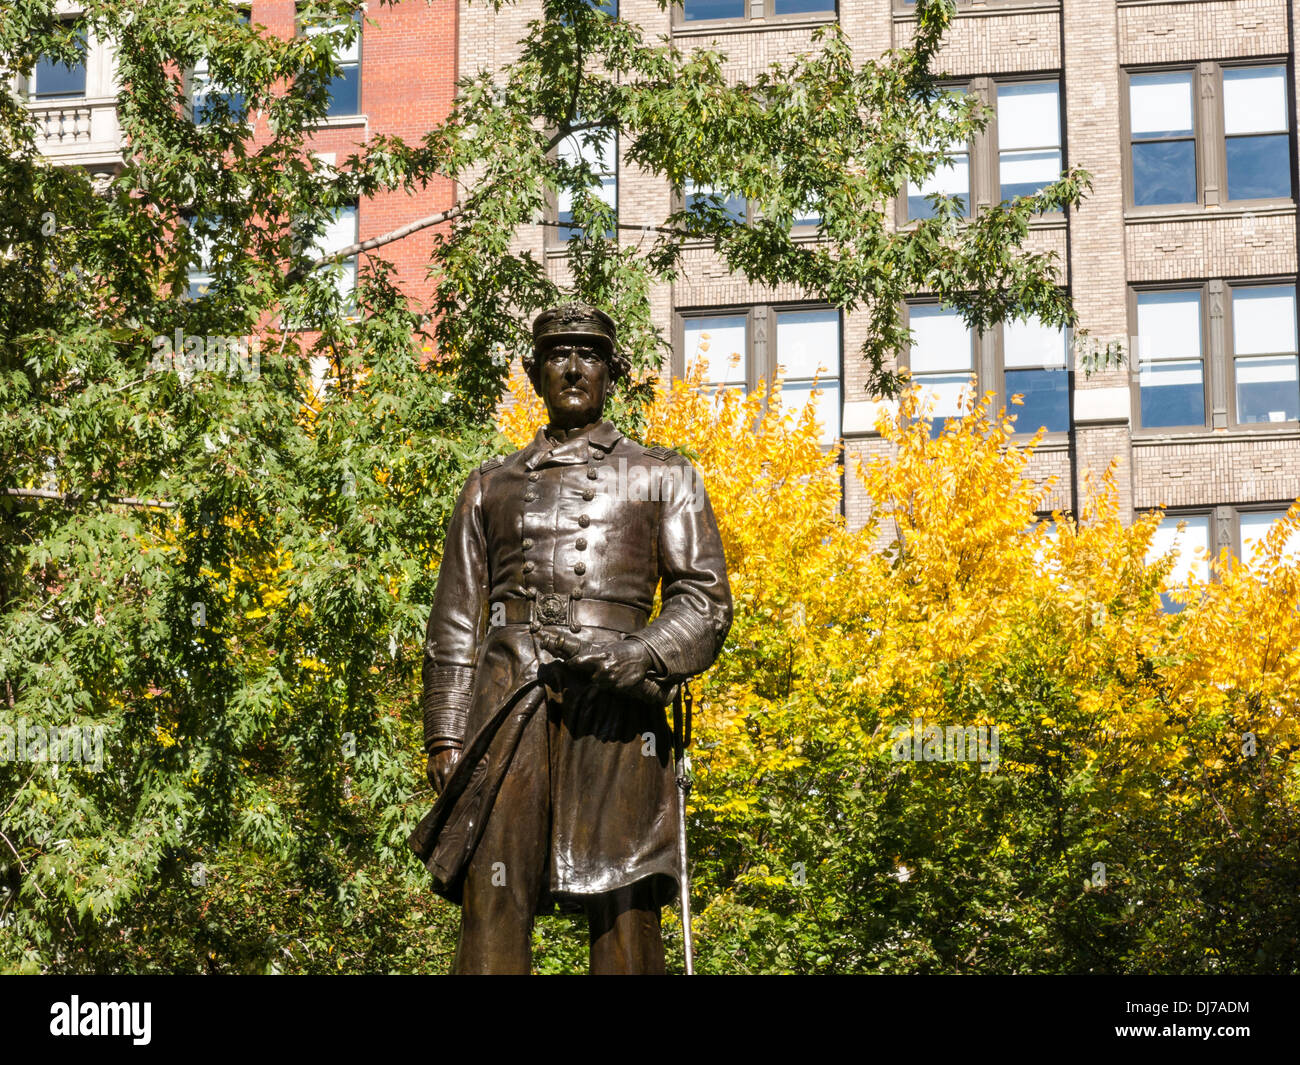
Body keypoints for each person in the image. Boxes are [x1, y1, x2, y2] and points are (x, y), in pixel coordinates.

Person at [408, 302, 732, 974]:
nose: (574, 366)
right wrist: (444, 733)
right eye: (558, 354)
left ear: (613, 371)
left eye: (589, 353)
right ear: (534, 372)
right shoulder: (487, 484)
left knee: (624, 897)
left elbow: (704, 600)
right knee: (494, 893)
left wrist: (638, 653)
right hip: (508, 702)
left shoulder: (664, 473)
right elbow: (456, 618)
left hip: (619, 711)